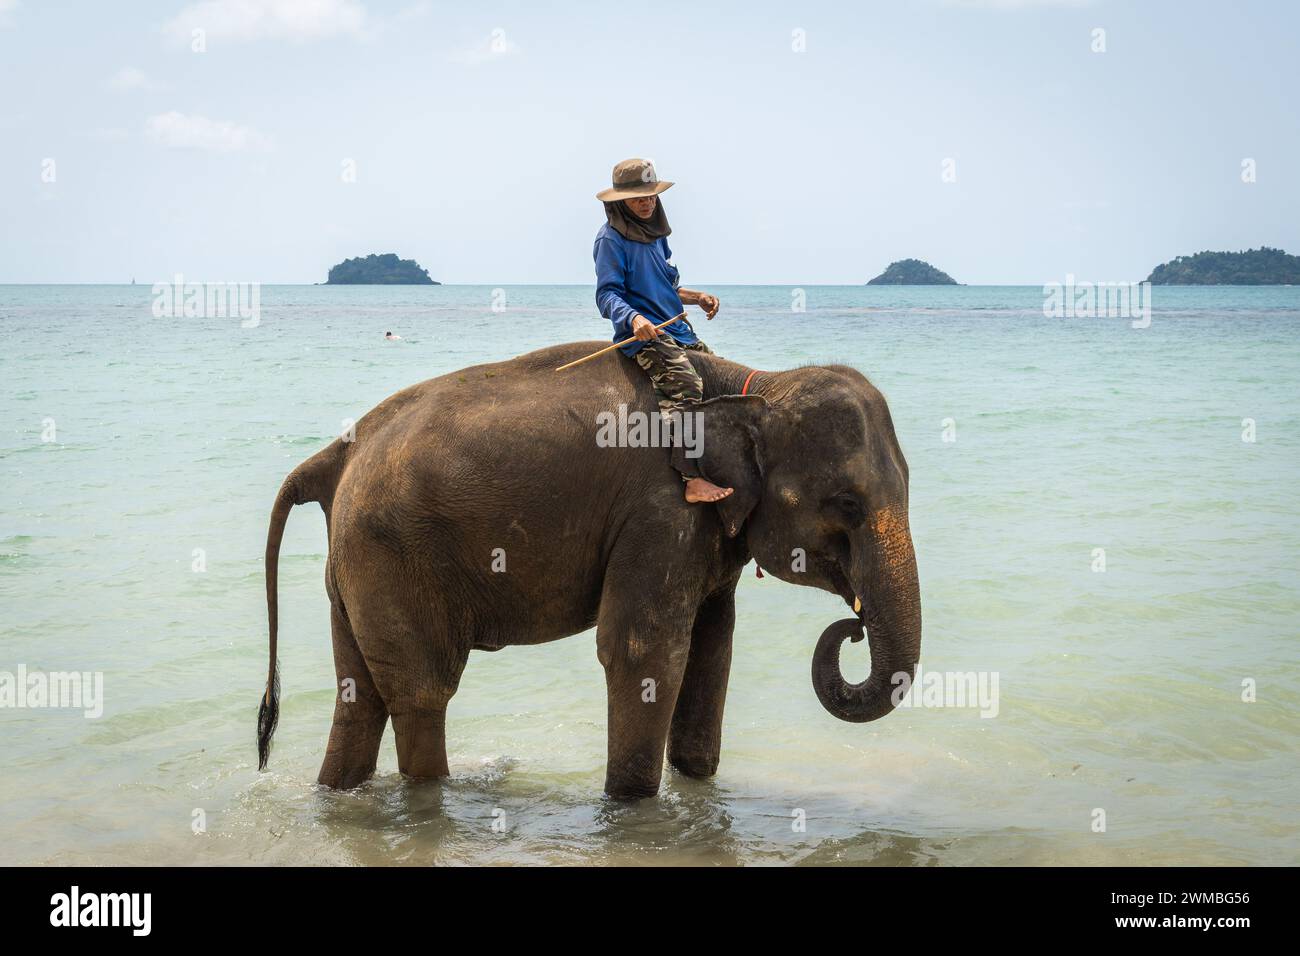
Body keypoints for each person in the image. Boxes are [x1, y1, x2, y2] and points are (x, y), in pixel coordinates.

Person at [593, 158, 733, 504]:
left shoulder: (656, 235)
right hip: (646, 335)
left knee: (723, 378)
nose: (647, 202)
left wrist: (697, 297)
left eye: (652, 195)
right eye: (639, 197)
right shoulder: (610, 240)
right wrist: (634, 320)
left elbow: (666, 285)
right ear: (619, 200)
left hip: (679, 331)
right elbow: (607, 294)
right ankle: (691, 478)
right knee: (686, 385)